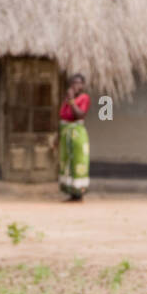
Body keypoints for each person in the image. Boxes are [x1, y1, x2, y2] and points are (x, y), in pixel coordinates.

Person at [58, 73, 90, 201]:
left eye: (78, 83)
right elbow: (62, 117)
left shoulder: (84, 98)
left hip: (77, 136)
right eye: (73, 83)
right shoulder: (67, 100)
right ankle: (71, 192)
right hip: (66, 135)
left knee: (78, 161)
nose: (75, 86)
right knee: (67, 163)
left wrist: (71, 101)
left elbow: (79, 115)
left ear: (82, 85)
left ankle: (79, 193)